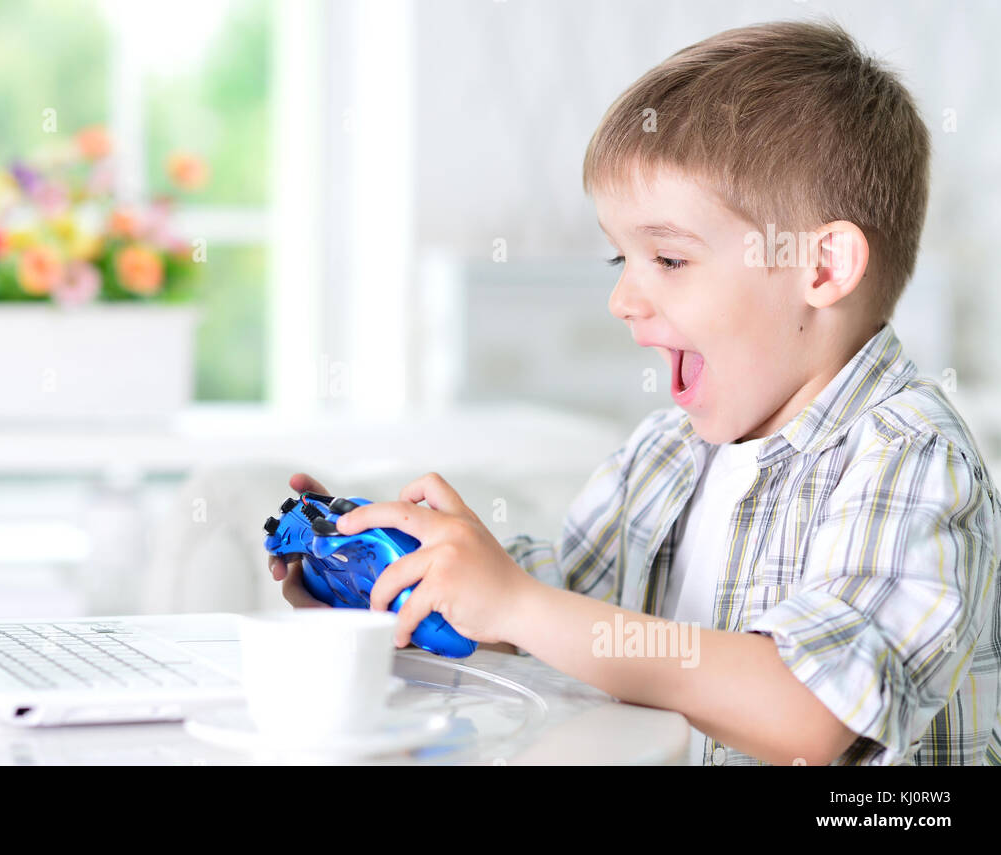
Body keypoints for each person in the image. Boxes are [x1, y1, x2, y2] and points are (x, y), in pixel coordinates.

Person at [268, 19, 1000, 766]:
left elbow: (812, 712)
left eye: (670, 258)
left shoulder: (910, 458)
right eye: (622, 255)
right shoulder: (662, 456)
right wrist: (413, 581)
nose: (622, 298)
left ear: (821, 269)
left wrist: (520, 604)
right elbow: (562, 624)